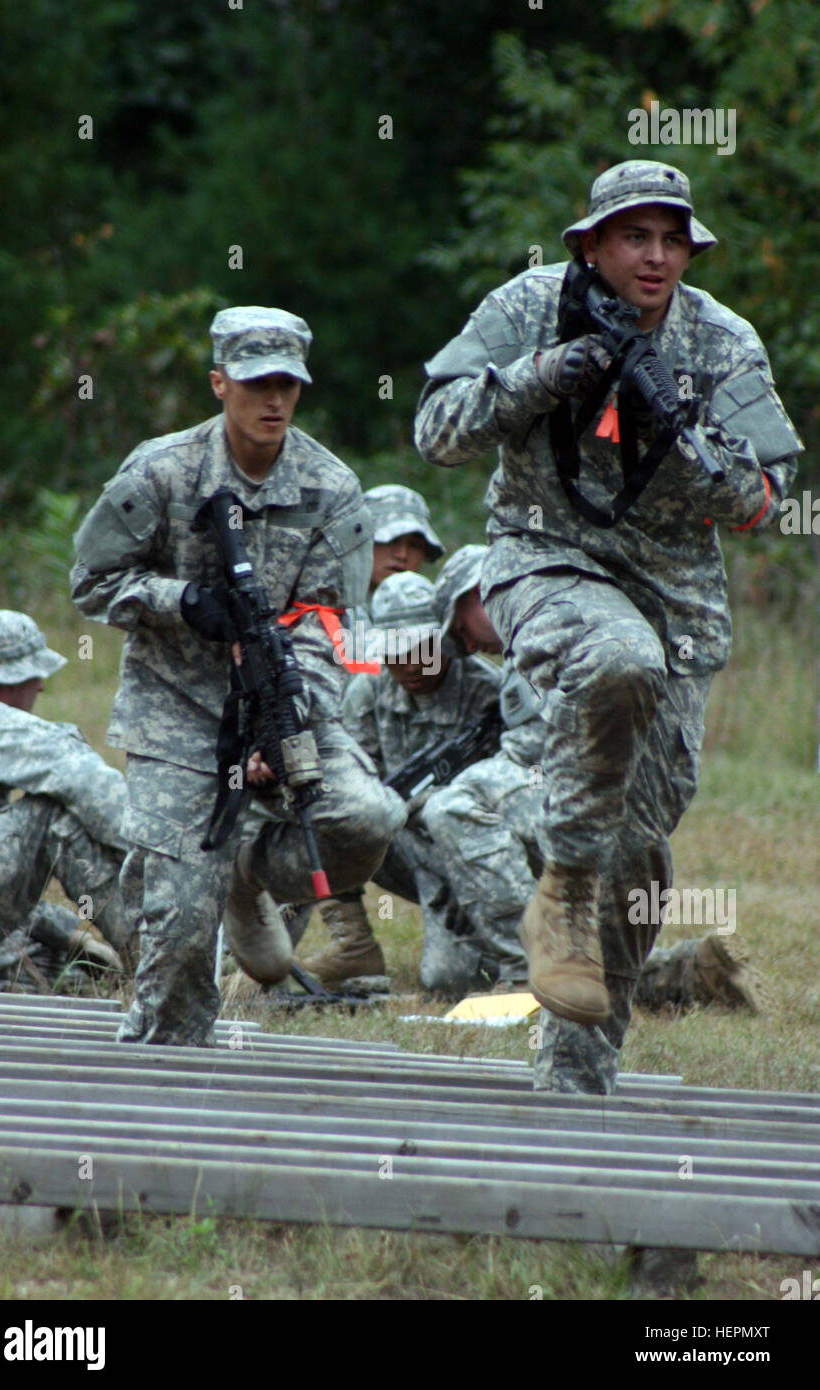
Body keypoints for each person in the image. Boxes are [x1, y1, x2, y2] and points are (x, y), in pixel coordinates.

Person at [415, 160, 801, 1092]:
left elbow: (767, 497)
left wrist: (683, 441)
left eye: (674, 240)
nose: (658, 257)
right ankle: (563, 893)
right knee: (615, 658)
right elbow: (437, 429)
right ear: (590, 245)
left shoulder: (722, 341)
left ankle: (575, 1084)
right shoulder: (527, 309)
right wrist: (545, 376)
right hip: (546, 563)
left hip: (676, 606)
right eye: (637, 236)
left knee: (642, 851)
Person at [71, 306, 405, 1045]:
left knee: (366, 819)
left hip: (287, 703)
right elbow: (91, 582)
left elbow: (333, 625)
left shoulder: (330, 487)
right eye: (256, 383)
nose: (274, 400)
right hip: (178, 711)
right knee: (184, 930)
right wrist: (182, 602)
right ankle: (168, 1063)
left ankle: (245, 868)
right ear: (220, 383)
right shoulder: (161, 471)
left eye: (288, 384)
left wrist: (288, 719)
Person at [423, 547, 767, 1014]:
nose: (467, 645)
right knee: (468, 964)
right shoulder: (542, 631)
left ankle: (526, 975)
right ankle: (691, 972)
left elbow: (556, 743)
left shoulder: (552, 618)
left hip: (581, 790)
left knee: (455, 806)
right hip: (601, 797)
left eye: (461, 629)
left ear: (485, 588)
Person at [287, 484, 444, 975]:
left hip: (441, 810)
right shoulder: (323, 610)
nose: (402, 554)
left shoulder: (442, 619)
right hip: (366, 786)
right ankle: (346, 943)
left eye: (415, 544)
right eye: (389, 540)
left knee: (457, 971)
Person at [328, 570, 502, 994]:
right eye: (395, 652)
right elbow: (352, 787)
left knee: (449, 980)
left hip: (475, 855)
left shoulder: (489, 694)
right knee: (326, 821)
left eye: (421, 648)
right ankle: (350, 945)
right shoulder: (367, 693)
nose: (409, 664)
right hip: (399, 847)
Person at [0, 610, 129, 985]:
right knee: (51, 815)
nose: (42, 688)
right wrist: (172, 866)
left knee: (61, 970)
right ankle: (170, 962)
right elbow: (91, 785)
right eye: (37, 675)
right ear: (11, 681)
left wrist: (65, 929)